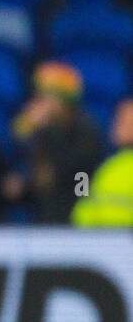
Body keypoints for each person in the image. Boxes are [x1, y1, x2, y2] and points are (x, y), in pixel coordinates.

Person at [12, 61, 107, 223]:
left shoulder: (86, 129)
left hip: (76, 209)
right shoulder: (43, 129)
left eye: (44, 97)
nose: (38, 103)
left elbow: (79, 174)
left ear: (62, 100)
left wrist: (43, 131)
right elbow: (37, 173)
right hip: (45, 214)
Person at [73, 99, 133, 226]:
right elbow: (84, 210)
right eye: (118, 118)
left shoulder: (112, 166)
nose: (117, 124)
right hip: (101, 240)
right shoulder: (110, 166)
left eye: (125, 121)